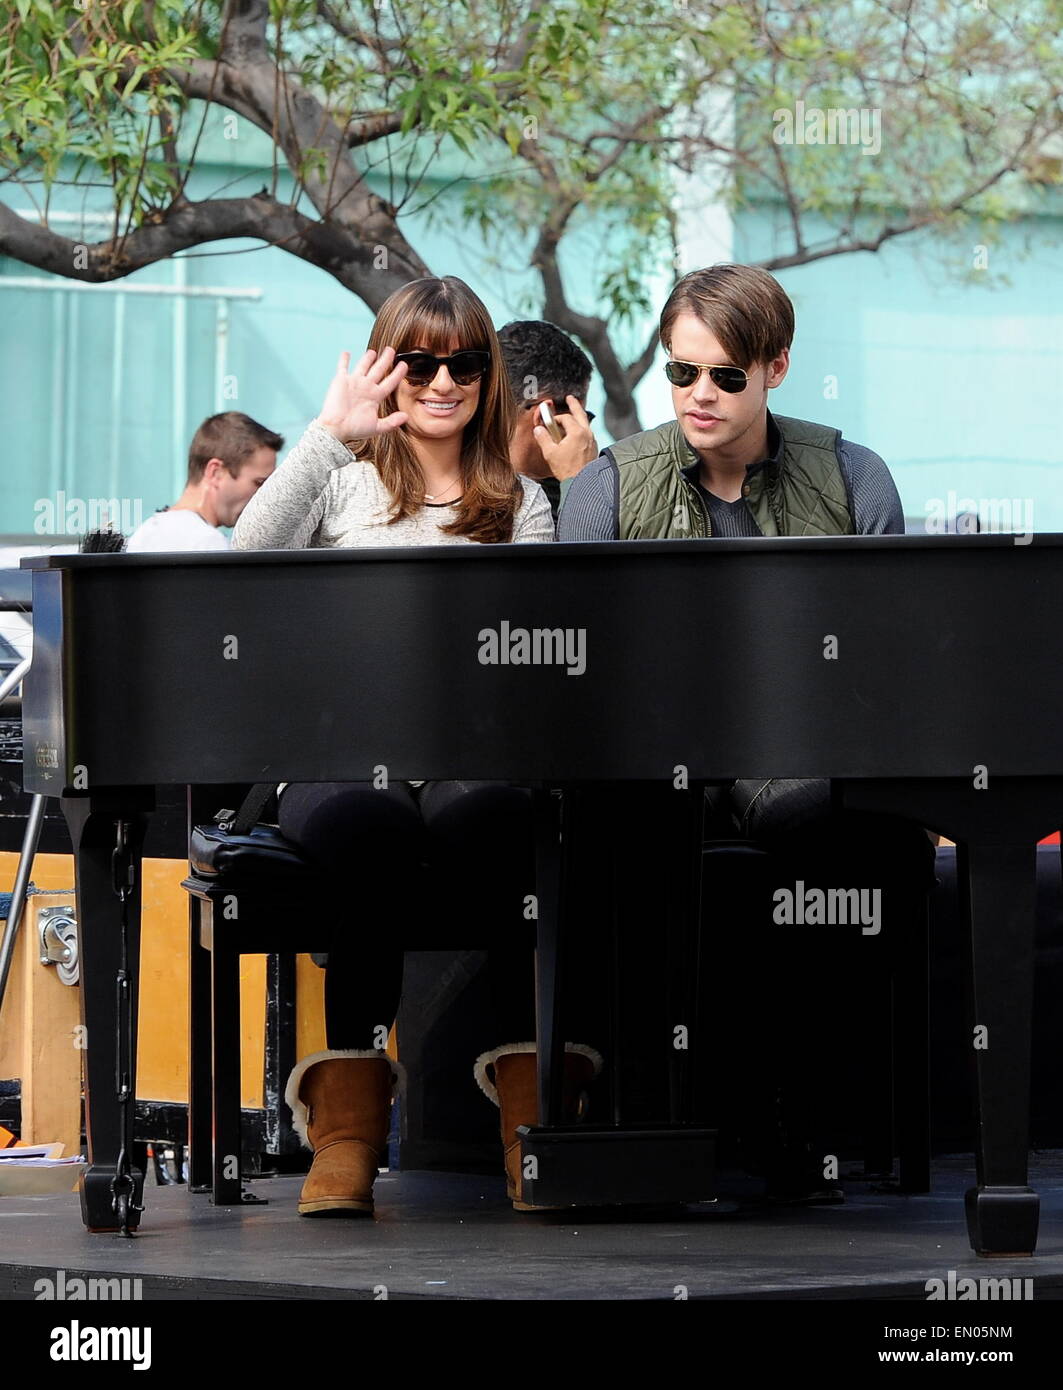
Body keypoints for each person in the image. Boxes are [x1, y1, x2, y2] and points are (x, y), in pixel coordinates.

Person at [558, 263, 935, 1200]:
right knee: (641, 824)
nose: (698, 396)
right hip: (661, 769)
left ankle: (802, 1129)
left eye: (725, 376)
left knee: (854, 831)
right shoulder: (608, 487)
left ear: (775, 368)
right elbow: (576, 663)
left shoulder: (852, 475)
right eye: (680, 373)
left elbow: (887, 656)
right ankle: (660, 1133)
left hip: (803, 761)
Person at [232, 276, 599, 1217]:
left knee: (504, 816)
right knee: (363, 825)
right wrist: (327, 433)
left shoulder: (517, 500)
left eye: (464, 364)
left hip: (468, 748)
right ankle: (348, 1133)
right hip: (339, 752)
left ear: (488, 375)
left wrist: (581, 481)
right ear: (391, 365)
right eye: (421, 361)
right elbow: (240, 564)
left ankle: (533, 1122)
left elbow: (549, 643)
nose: (442, 381)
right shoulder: (342, 475)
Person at [125, 412, 281, 552]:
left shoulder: (142, 535)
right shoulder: (208, 544)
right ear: (216, 472)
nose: (264, 497)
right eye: (259, 483)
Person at [497, 320, 598, 522]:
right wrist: (581, 483)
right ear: (545, 417)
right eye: (581, 418)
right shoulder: (554, 504)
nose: (584, 432)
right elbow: (590, 549)